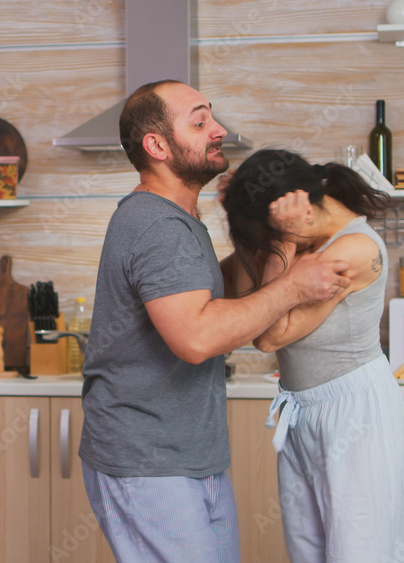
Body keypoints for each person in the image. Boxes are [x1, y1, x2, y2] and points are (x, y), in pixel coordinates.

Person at [78, 80, 351, 562]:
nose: (218, 129)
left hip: (188, 455)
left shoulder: (179, 221)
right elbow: (198, 336)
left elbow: (212, 293)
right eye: (199, 122)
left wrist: (252, 226)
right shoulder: (159, 226)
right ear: (157, 146)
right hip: (148, 459)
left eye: (213, 117)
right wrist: (295, 286)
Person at [222, 148, 404, 562]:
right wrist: (247, 226)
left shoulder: (354, 249)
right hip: (301, 409)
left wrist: (282, 238)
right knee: (309, 553)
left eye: (269, 237)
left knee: (359, 553)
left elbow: (268, 335)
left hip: (355, 412)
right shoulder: (302, 243)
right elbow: (244, 296)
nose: (268, 247)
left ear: (300, 210)